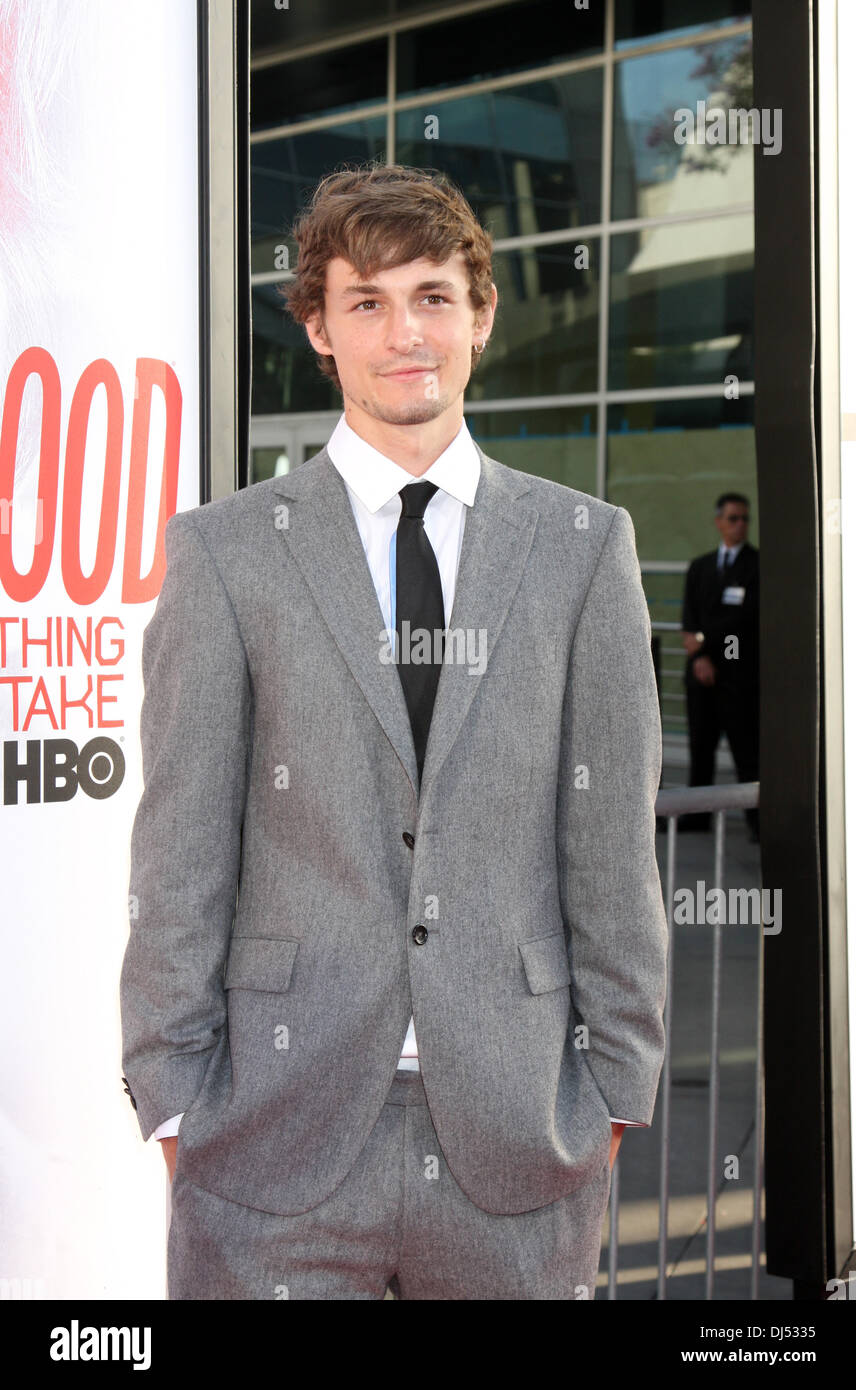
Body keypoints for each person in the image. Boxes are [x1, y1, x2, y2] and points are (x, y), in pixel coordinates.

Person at [120, 162, 668, 1301]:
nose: (402, 331)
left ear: (479, 315)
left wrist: (614, 1091)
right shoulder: (225, 552)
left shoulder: (582, 548)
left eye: (430, 294)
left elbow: (610, 845)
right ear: (318, 327)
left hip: (518, 1142)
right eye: (364, 301)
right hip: (271, 1143)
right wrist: (174, 1098)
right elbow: (180, 845)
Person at [680, 493, 760, 839]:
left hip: (737, 675)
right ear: (719, 522)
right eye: (733, 518)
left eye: (744, 519)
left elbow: (742, 619)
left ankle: (758, 821)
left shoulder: (758, 565)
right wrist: (698, 657)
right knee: (701, 747)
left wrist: (701, 641)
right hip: (701, 674)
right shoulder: (700, 566)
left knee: (746, 750)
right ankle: (697, 817)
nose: (740, 525)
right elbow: (689, 616)